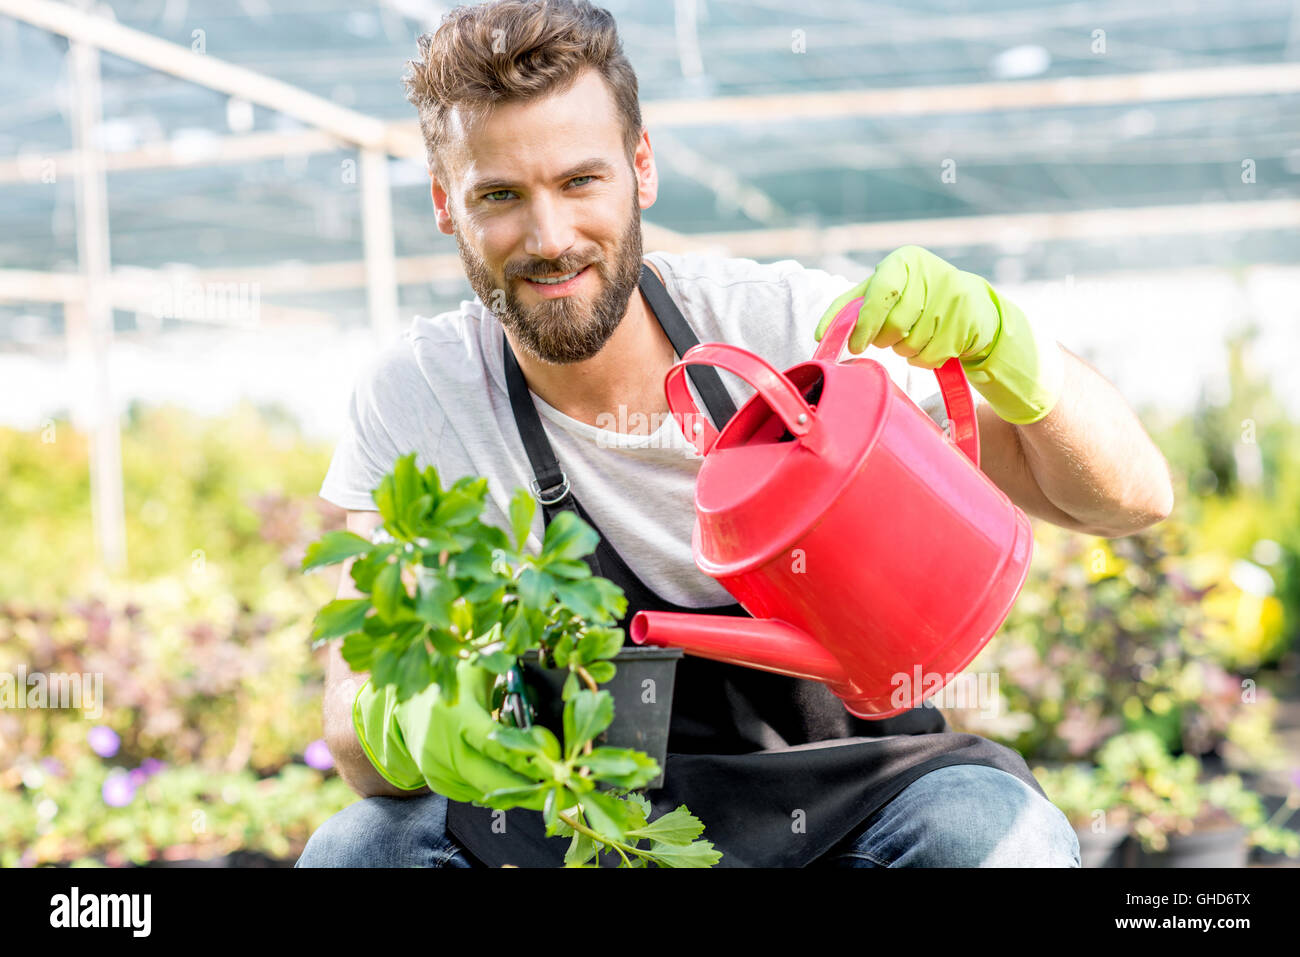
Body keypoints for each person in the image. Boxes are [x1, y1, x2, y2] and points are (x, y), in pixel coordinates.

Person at [298, 0, 1174, 868]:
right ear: (446, 205)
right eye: (499, 195)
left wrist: (1010, 347)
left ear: (642, 168)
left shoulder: (778, 326)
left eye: (580, 181)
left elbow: (1131, 500)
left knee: (992, 835)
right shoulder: (420, 397)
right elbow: (350, 714)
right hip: (587, 821)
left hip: (853, 800)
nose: (550, 236)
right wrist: (400, 714)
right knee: (362, 849)